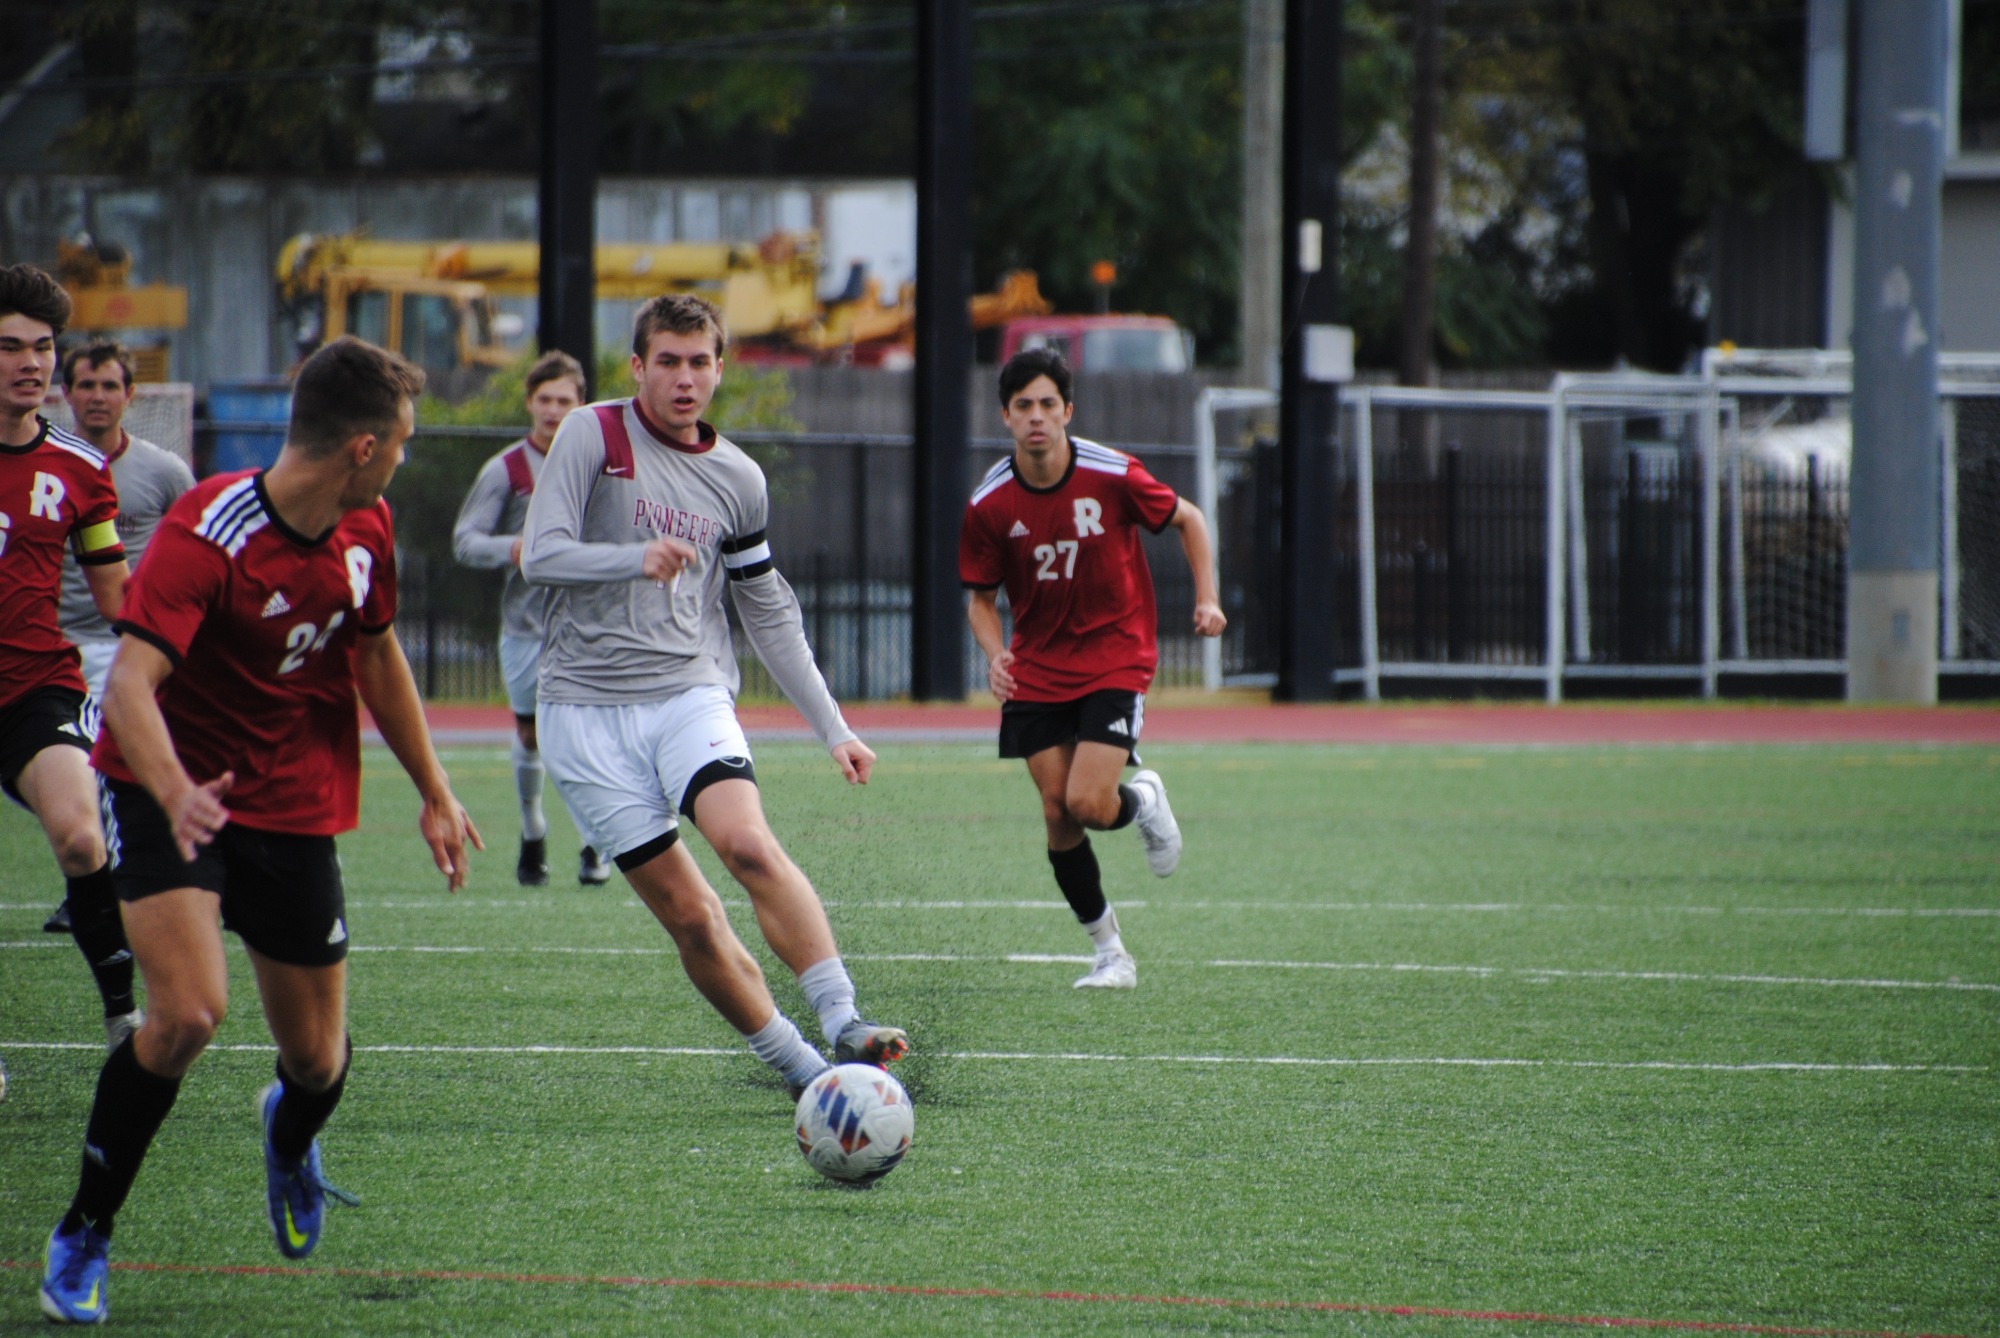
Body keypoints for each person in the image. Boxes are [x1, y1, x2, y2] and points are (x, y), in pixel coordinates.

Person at [38, 335, 482, 1325]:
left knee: (318, 1062)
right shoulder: (208, 531)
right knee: (188, 1016)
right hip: (166, 790)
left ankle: (288, 1132)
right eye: (402, 440)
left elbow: (375, 658)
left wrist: (434, 788)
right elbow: (133, 688)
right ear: (362, 447)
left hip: (291, 803)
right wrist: (176, 792)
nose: (404, 455)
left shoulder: (367, 526)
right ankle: (84, 1230)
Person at [519, 293, 906, 1102]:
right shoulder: (594, 432)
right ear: (638, 367)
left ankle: (844, 1021)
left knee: (749, 845)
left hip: (688, 694)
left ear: (721, 369)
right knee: (693, 917)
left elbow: (768, 611)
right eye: (668, 361)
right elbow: (541, 555)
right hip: (582, 715)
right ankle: (806, 1073)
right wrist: (633, 558)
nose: (685, 378)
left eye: (700, 362)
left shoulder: (738, 478)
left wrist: (833, 728)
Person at [959, 348, 1226, 990]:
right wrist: (996, 656)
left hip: (1115, 655)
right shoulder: (989, 504)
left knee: (1086, 800)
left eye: (1048, 404)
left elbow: (1188, 518)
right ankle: (1111, 954)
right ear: (1005, 416)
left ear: (1068, 411)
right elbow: (980, 601)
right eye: (1023, 405)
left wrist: (1208, 598)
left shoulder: (1112, 474)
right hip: (1038, 667)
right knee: (1059, 813)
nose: (1036, 417)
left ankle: (1143, 800)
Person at [0, 264, 143, 1050]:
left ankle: (123, 1018)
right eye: (10, 347)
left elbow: (119, 597)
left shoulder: (81, 469)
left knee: (84, 839)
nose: (30, 363)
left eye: (43, 347)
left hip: (35, 688)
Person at [42, 341, 195, 937]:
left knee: (109, 769)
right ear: (66, 394)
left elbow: (200, 546)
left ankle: (102, 888)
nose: (98, 397)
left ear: (131, 395)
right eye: (86, 385)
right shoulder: (47, 467)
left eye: (110, 385)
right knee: (59, 773)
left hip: (128, 644)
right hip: (51, 643)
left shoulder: (164, 471)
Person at [452, 349, 612, 888]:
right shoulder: (507, 469)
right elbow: (466, 541)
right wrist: (514, 548)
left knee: (586, 735)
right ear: (529, 402)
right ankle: (532, 831)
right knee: (532, 733)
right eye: (545, 399)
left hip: (589, 626)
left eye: (564, 400)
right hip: (526, 627)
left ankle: (593, 843)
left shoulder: (601, 464)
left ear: (580, 404)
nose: (553, 410)